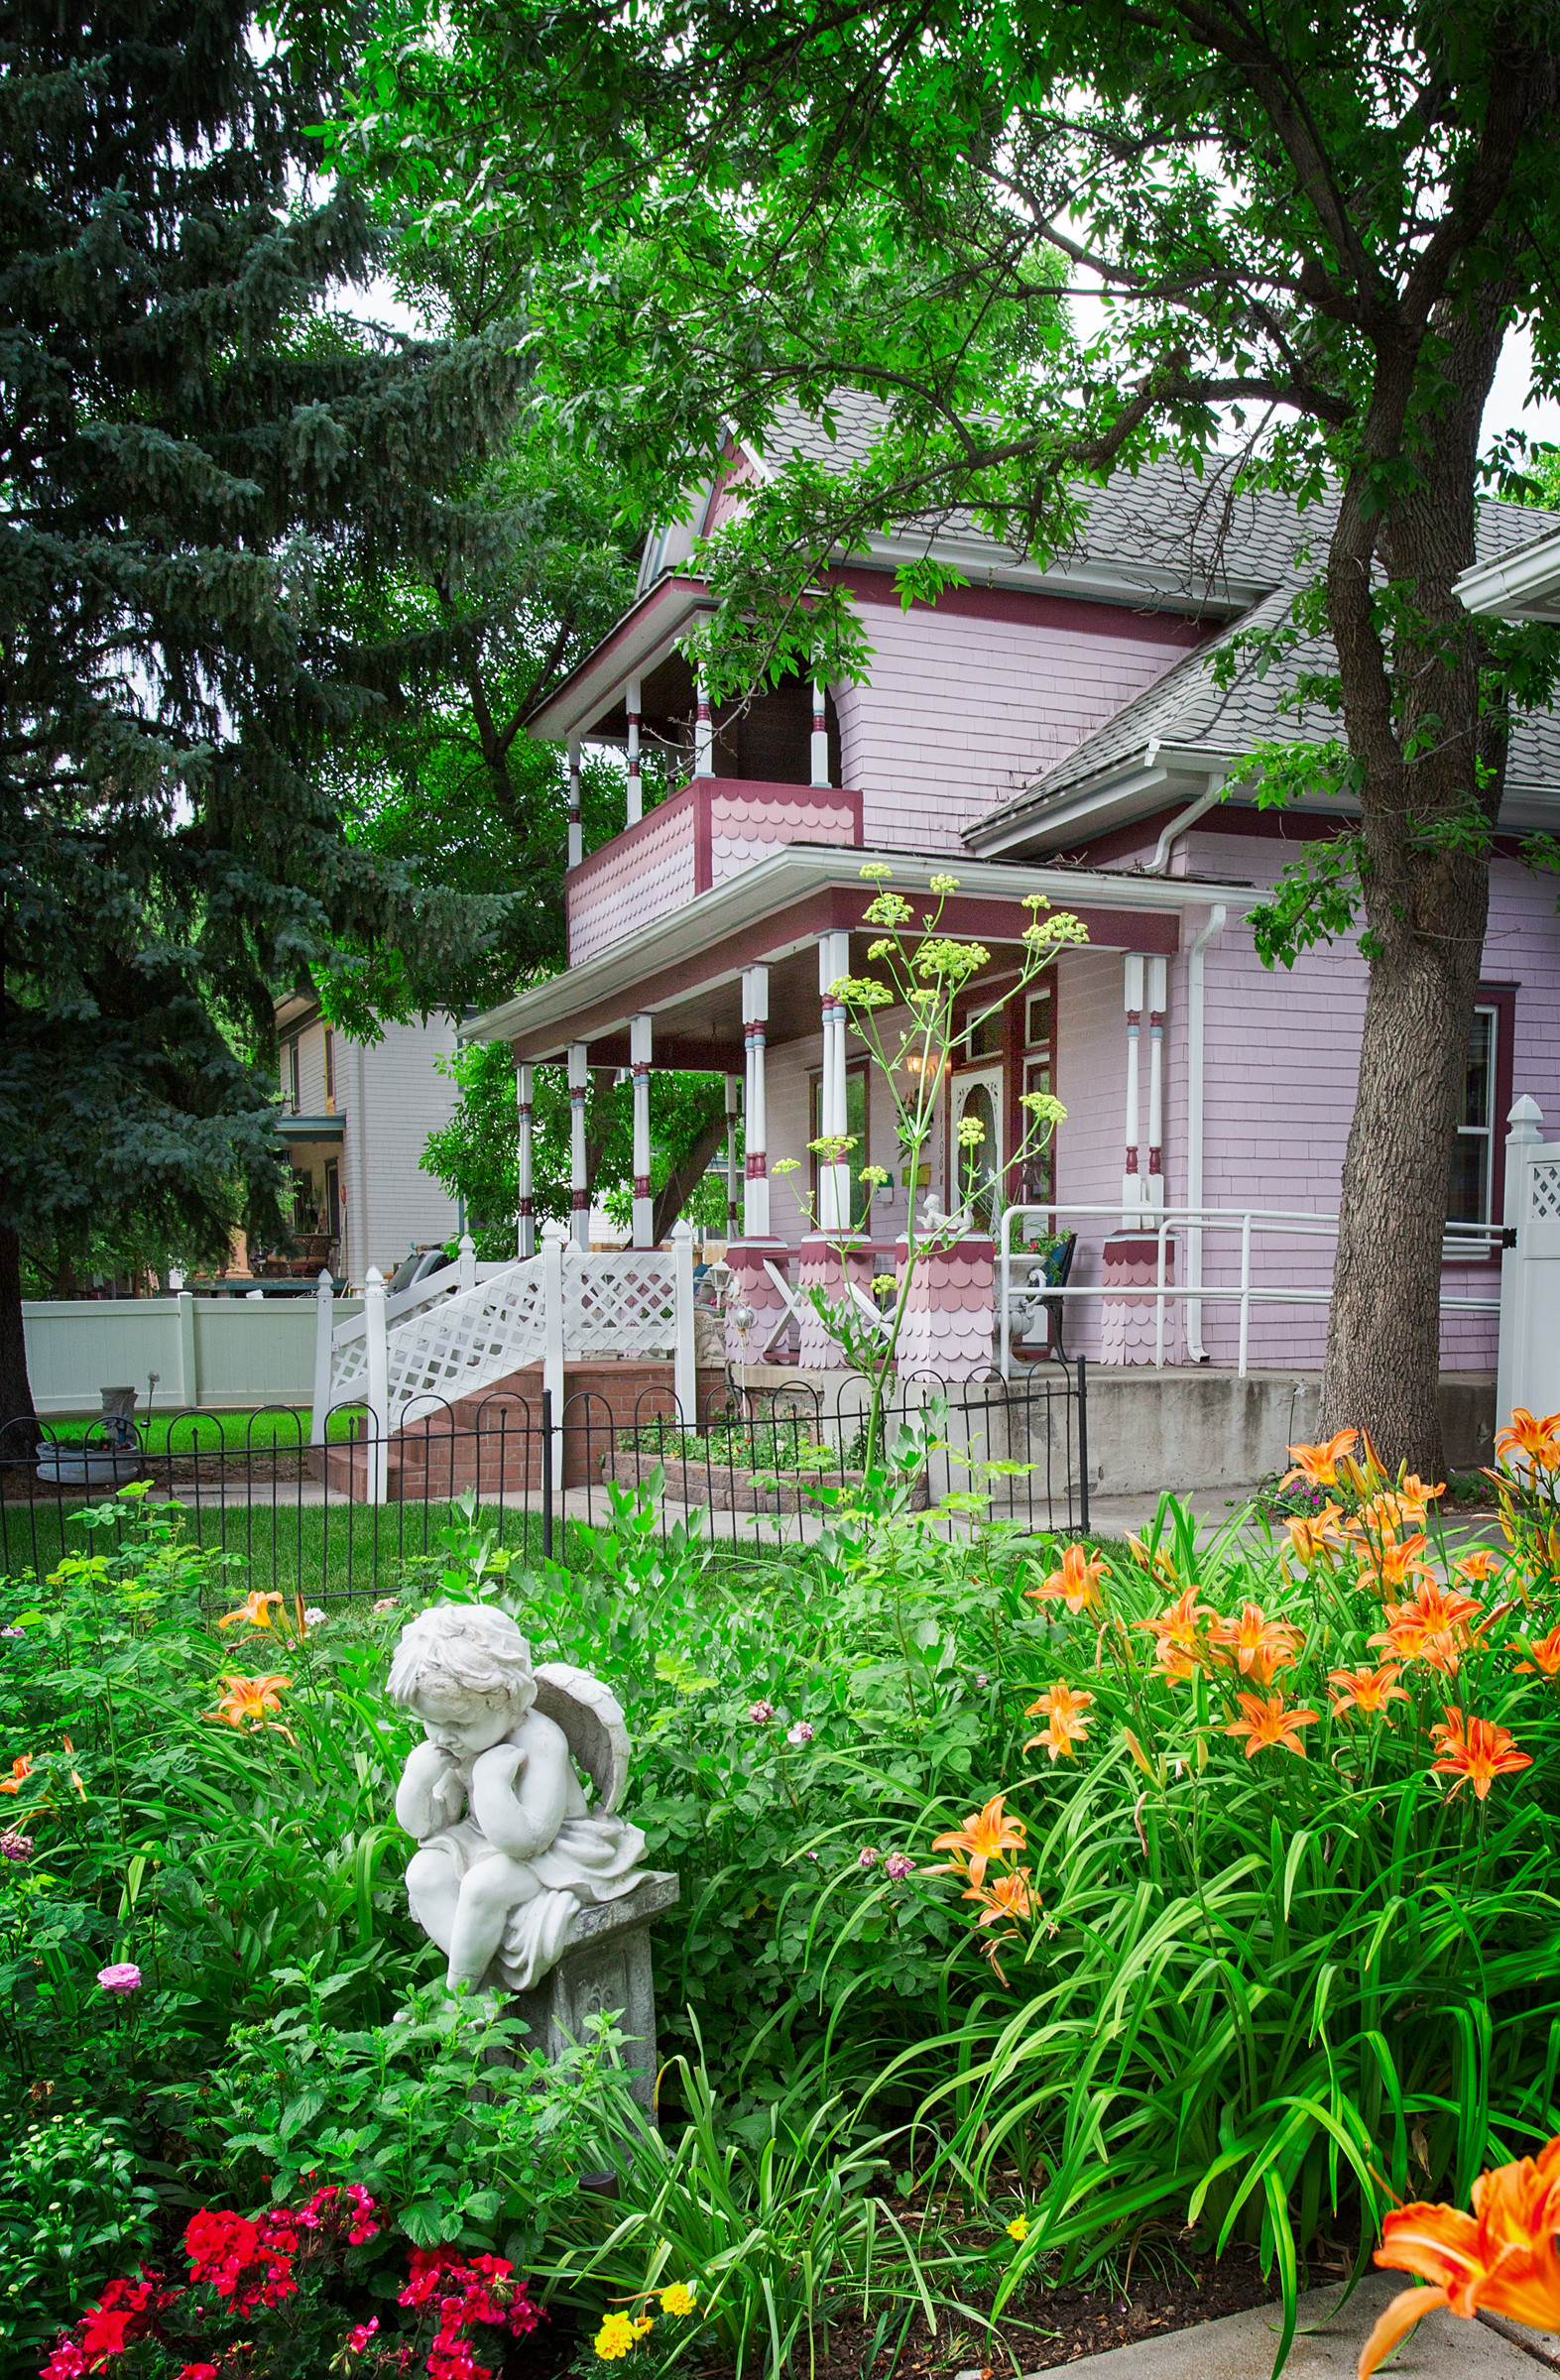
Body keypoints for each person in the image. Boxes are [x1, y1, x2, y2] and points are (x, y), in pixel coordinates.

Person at [388, 1605, 648, 1992]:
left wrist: (490, 1785)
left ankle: (459, 1993)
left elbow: (529, 1841)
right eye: (432, 1723)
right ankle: (483, 1980)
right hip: (486, 1839)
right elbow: (429, 1825)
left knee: (483, 1886)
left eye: (458, 1723)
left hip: (553, 1850)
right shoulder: (458, 1742)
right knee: (423, 1874)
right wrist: (417, 1783)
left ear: (507, 1699)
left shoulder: (540, 1739)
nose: (444, 1736)